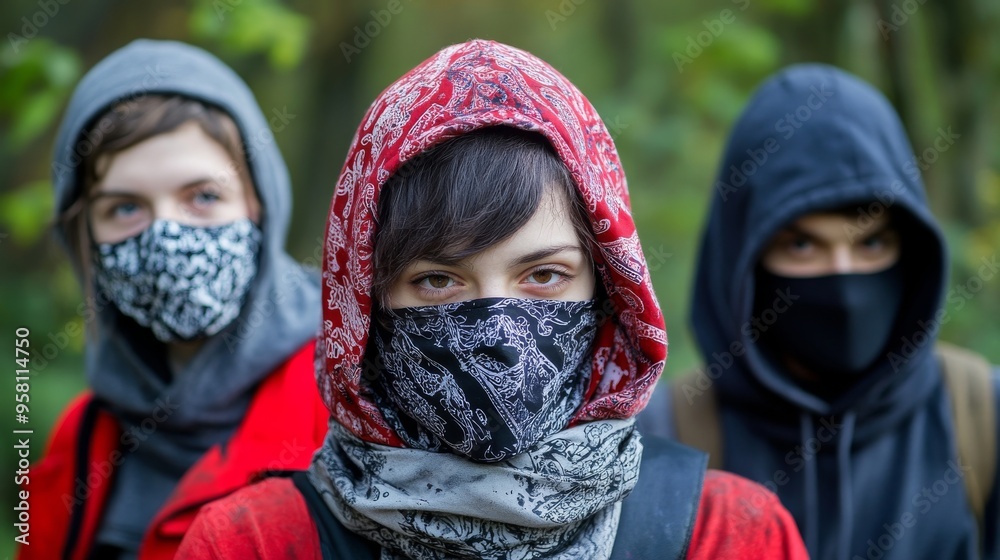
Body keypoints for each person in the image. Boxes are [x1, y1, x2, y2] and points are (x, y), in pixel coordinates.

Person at [175, 40, 808, 560]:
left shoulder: (728, 535)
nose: (498, 330)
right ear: (365, 310)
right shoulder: (253, 544)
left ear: (611, 290)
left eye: (544, 276)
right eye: (438, 281)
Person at [638, 63, 1000, 559]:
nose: (844, 279)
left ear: (912, 254)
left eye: (872, 242)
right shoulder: (664, 441)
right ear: (744, 260)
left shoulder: (982, 420)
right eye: (803, 245)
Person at [21, 40, 327, 560]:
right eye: (124, 208)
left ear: (259, 204)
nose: (165, 234)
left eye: (203, 197)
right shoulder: (82, 437)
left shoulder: (347, 399)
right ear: (84, 238)